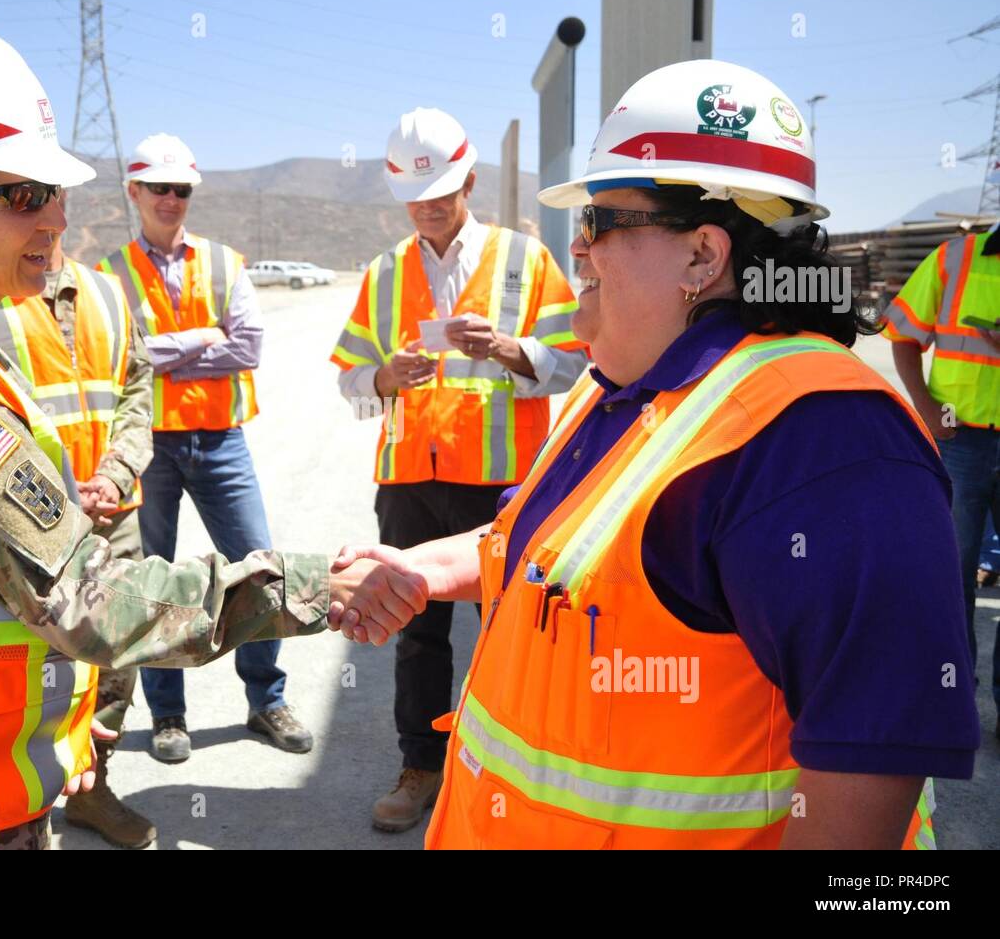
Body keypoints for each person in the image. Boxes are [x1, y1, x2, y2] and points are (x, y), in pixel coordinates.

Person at [0, 22, 425, 850]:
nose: (57, 217)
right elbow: (94, 603)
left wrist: (51, 745)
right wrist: (314, 588)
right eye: (24, 195)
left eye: (55, 192)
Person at [332, 60, 980, 849]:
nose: (578, 247)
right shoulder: (627, 389)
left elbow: (865, 778)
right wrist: (421, 569)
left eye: (601, 221)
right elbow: (542, 553)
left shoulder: (824, 446)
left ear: (703, 257)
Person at [329, 107, 586, 832]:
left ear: (469, 180)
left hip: (501, 484)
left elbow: (573, 361)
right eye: (416, 198)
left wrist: (509, 349)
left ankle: (519, 770)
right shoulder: (384, 274)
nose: (430, 208)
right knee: (417, 631)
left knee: (513, 628)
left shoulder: (526, 259)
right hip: (410, 479)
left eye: (442, 192)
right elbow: (348, 375)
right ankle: (422, 765)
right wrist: (384, 378)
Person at [96, 134, 308, 763]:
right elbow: (122, 358)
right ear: (133, 191)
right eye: (157, 187)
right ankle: (167, 714)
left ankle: (267, 699)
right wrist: (200, 339)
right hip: (149, 449)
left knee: (259, 566)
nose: (170, 198)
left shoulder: (224, 263)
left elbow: (247, 347)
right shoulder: (109, 275)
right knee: (153, 580)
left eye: (180, 188)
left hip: (220, 441)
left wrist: (164, 353)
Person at [0, 190, 158, 847]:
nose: (42, 220)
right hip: (28, 523)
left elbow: (139, 387)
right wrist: (60, 495)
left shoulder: (110, 293)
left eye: (49, 200)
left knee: (116, 650)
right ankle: (17, 802)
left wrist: (116, 472)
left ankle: (93, 785)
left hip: (114, 512)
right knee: (31, 659)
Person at [884, 220, 1000, 736]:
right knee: (951, 575)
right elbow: (904, 335)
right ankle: (955, 700)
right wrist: (928, 409)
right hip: (961, 444)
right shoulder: (956, 258)